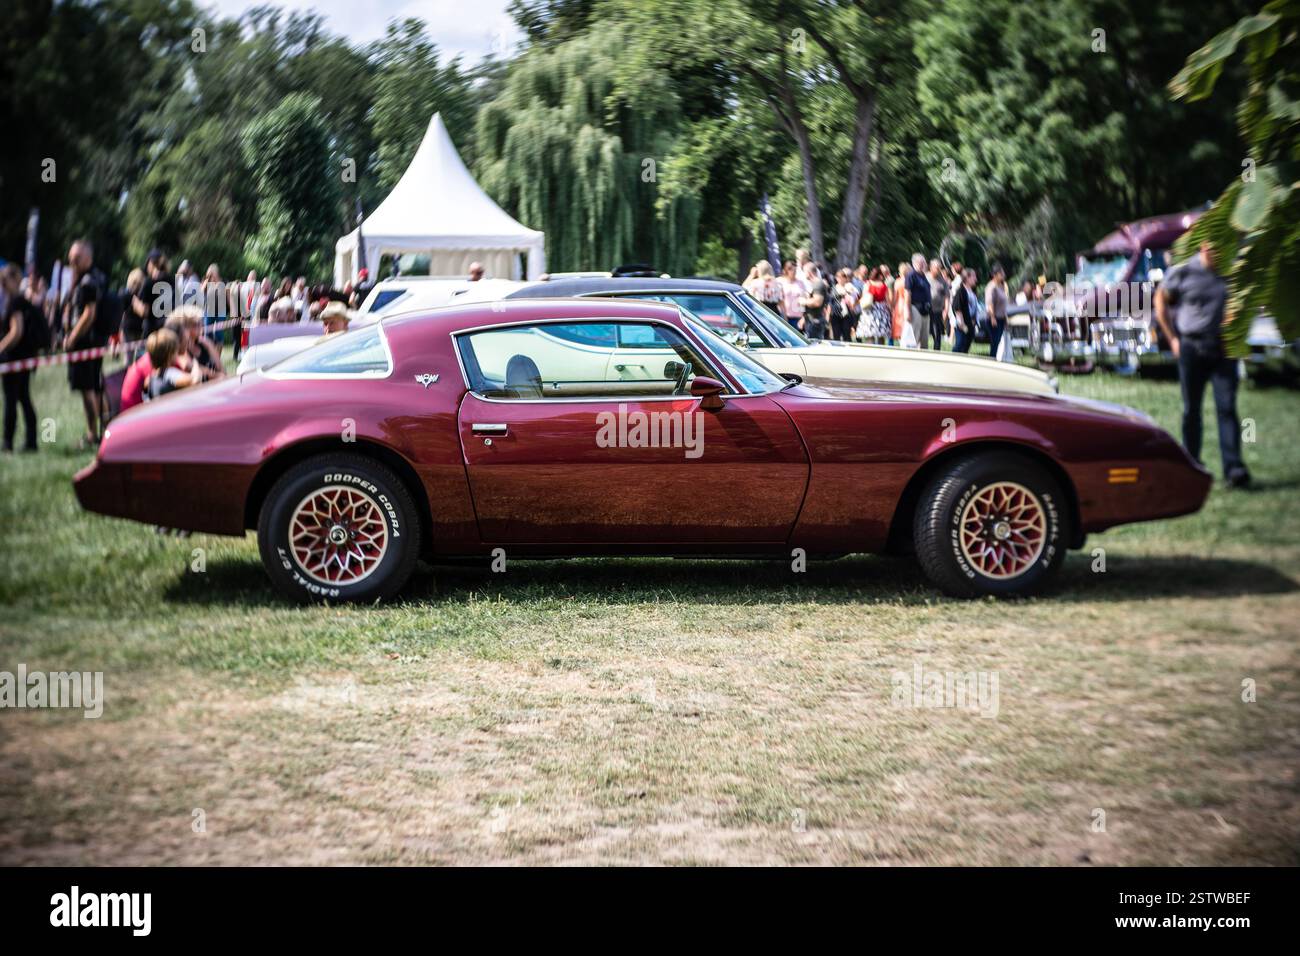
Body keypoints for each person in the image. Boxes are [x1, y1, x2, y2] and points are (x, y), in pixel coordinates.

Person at [1154, 242, 1250, 488]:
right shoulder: (1184, 271)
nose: (1217, 251)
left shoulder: (1230, 270)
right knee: (1191, 409)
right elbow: (1160, 301)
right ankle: (1192, 466)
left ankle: (1234, 469)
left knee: (1227, 407)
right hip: (1191, 348)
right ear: (1203, 246)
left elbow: (1241, 303)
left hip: (1223, 349)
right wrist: (1173, 339)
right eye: (1213, 246)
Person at [61, 239, 107, 447]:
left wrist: (72, 338)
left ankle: (92, 435)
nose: (72, 262)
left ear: (88, 258)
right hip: (94, 342)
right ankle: (103, 431)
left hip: (85, 343)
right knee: (95, 387)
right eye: (71, 258)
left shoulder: (88, 281)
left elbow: (89, 314)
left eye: (76, 258)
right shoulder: (95, 277)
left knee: (88, 389)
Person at [0, 264, 40, 452]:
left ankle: (8, 443)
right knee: (24, 398)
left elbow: (17, 331)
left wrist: (0, 348)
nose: (2, 285)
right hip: (25, 358)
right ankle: (31, 442)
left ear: (15, 279)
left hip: (14, 359)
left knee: (11, 400)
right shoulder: (22, 300)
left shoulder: (15, 301)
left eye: (4, 280)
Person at [906, 252, 932, 349]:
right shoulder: (911, 275)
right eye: (920, 262)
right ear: (914, 263)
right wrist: (908, 311)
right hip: (915, 308)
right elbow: (907, 294)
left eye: (924, 262)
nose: (923, 264)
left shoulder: (924, 276)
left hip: (926, 310)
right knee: (914, 338)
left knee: (924, 339)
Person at [859, 266, 891, 343]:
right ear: (880, 275)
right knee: (881, 335)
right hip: (882, 310)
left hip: (869, 309)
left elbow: (864, 296)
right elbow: (888, 300)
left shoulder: (868, 284)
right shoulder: (883, 286)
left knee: (870, 333)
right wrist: (891, 311)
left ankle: (870, 351)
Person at [951, 267, 978, 353]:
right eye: (973, 276)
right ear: (967, 278)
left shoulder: (972, 291)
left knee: (966, 347)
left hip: (970, 324)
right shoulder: (961, 291)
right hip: (962, 325)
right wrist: (962, 325)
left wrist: (973, 321)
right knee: (959, 345)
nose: (975, 279)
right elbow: (957, 308)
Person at [984, 264, 1009, 357]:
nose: (1003, 274)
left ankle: (993, 358)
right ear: (995, 275)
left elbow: (1003, 304)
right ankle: (992, 359)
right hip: (994, 319)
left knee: (997, 341)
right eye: (1001, 273)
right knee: (994, 341)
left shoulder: (1002, 286)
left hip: (1001, 318)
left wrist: (1005, 317)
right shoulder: (991, 287)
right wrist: (992, 317)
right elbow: (989, 304)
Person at [799, 261, 828, 340]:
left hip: (816, 322)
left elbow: (817, 302)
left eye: (804, 272)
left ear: (809, 272)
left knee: (814, 346)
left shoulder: (818, 284)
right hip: (811, 321)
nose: (803, 274)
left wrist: (803, 301)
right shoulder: (814, 284)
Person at [832, 267, 859, 342]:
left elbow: (856, 297)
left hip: (847, 314)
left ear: (845, 278)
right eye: (838, 277)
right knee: (836, 335)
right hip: (835, 313)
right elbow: (830, 300)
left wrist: (853, 305)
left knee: (846, 335)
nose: (840, 279)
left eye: (842, 277)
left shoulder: (849, 286)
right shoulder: (833, 288)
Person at [927, 258, 949, 350]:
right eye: (937, 268)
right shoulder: (925, 277)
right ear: (931, 268)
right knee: (925, 332)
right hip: (925, 309)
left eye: (940, 268)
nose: (939, 270)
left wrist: (946, 310)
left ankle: (937, 351)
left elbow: (947, 297)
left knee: (937, 332)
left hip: (937, 310)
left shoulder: (943, 281)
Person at [778, 260, 805, 330]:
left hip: (798, 318)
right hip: (784, 316)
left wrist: (803, 317)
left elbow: (803, 301)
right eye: (791, 270)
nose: (794, 272)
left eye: (795, 270)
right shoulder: (780, 281)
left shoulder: (800, 283)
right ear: (786, 270)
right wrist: (784, 317)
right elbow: (780, 300)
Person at [892, 262, 911, 345]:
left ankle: (901, 341)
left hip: (899, 304)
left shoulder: (898, 281)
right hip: (908, 303)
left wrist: (892, 306)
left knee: (899, 324)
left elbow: (895, 296)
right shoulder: (910, 281)